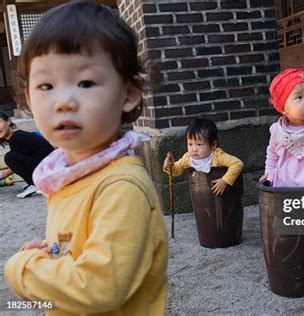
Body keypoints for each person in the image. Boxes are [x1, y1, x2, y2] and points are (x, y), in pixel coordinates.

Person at [4, 2, 168, 315]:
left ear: (129, 93)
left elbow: (99, 286)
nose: (64, 101)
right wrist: (53, 254)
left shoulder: (121, 187)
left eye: (86, 83)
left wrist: (23, 269)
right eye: (46, 85)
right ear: (28, 98)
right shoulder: (71, 173)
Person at [163, 118, 243, 195]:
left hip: (221, 196)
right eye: (190, 144)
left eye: (199, 144)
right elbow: (177, 170)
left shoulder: (218, 157)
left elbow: (237, 164)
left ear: (213, 145)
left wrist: (224, 181)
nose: (194, 149)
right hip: (201, 195)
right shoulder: (188, 158)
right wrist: (170, 166)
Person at [0, 110, 54, 198]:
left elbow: (15, 163)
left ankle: (35, 185)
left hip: (50, 171)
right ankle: (34, 183)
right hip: (49, 170)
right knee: (12, 157)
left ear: (9, 121)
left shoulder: (17, 137)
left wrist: (2, 175)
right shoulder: (18, 136)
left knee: (10, 157)